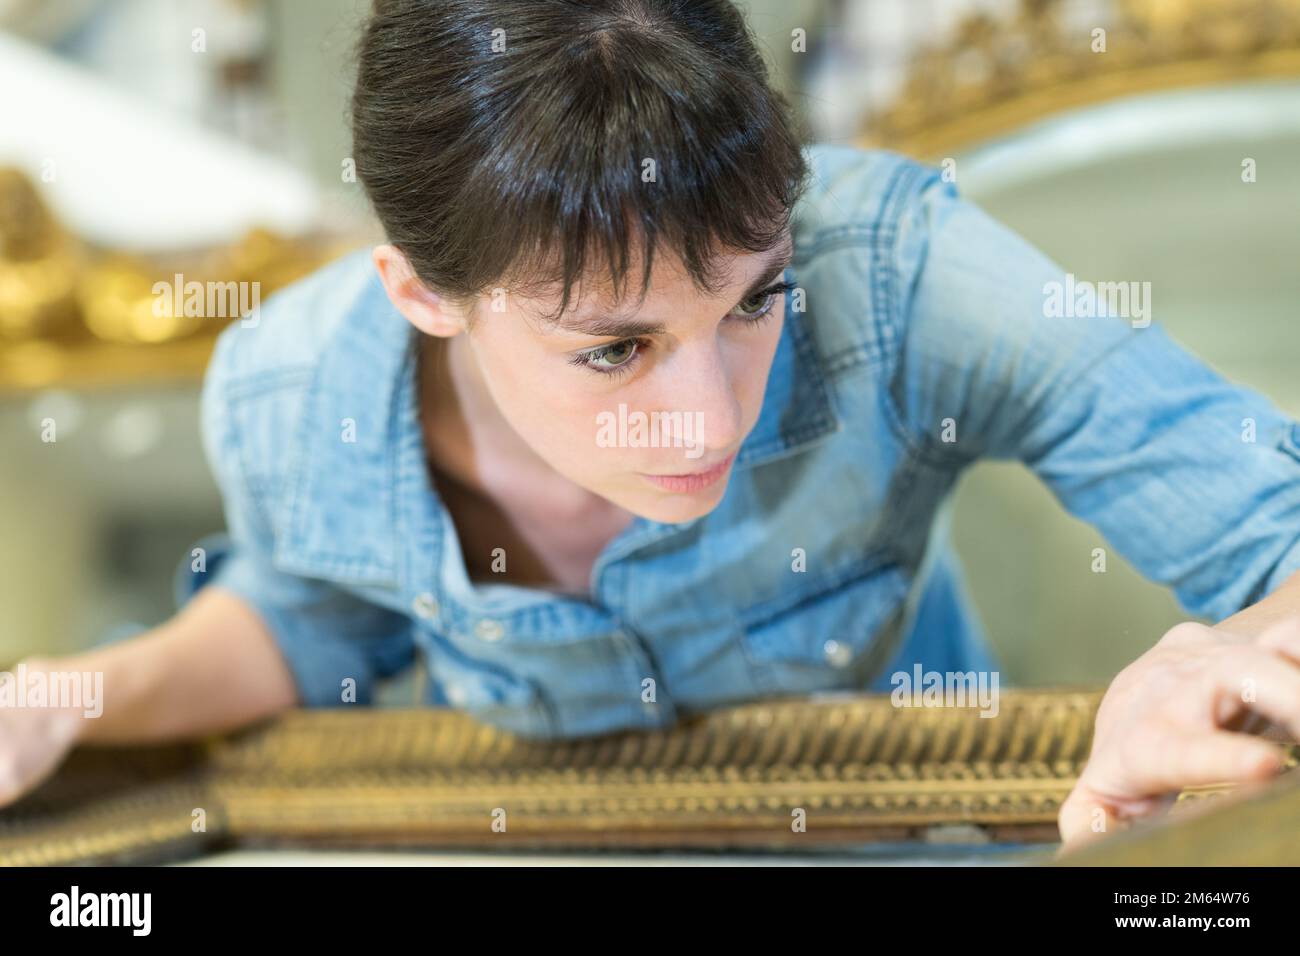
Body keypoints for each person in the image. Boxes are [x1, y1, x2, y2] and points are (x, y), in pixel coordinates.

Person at [4, 0, 1300, 851]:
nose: (708, 422)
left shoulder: (906, 272)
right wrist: (71, 696)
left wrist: (1225, 657)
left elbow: (1276, 528)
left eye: (755, 301)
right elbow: (311, 624)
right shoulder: (288, 394)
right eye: (613, 349)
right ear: (421, 294)